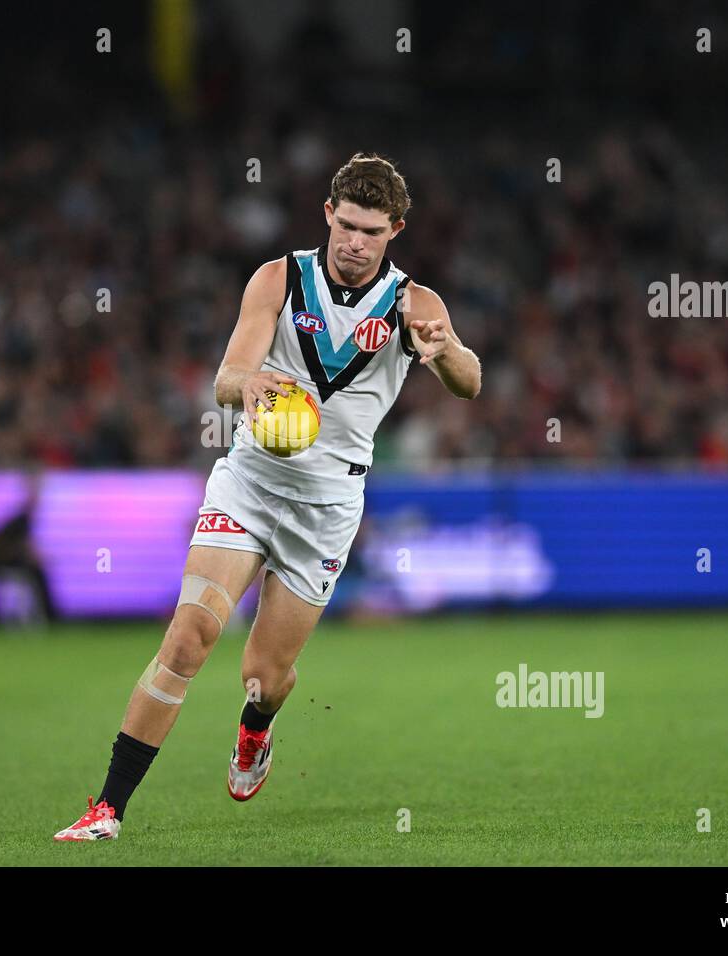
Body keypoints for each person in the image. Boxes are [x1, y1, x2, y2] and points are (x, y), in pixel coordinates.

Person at [54, 153, 482, 840]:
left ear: (395, 230)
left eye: (371, 232)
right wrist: (248, 386)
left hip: (327, 509)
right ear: (327, 215)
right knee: (189, 638)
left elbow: (470, 382)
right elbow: (228, 376)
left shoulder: (414, 304)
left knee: (266, 674)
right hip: (250, 481)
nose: (354, 242)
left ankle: (256, 726)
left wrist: (446, 351)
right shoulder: (279, 279)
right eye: (345, 225)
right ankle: (107, 808)